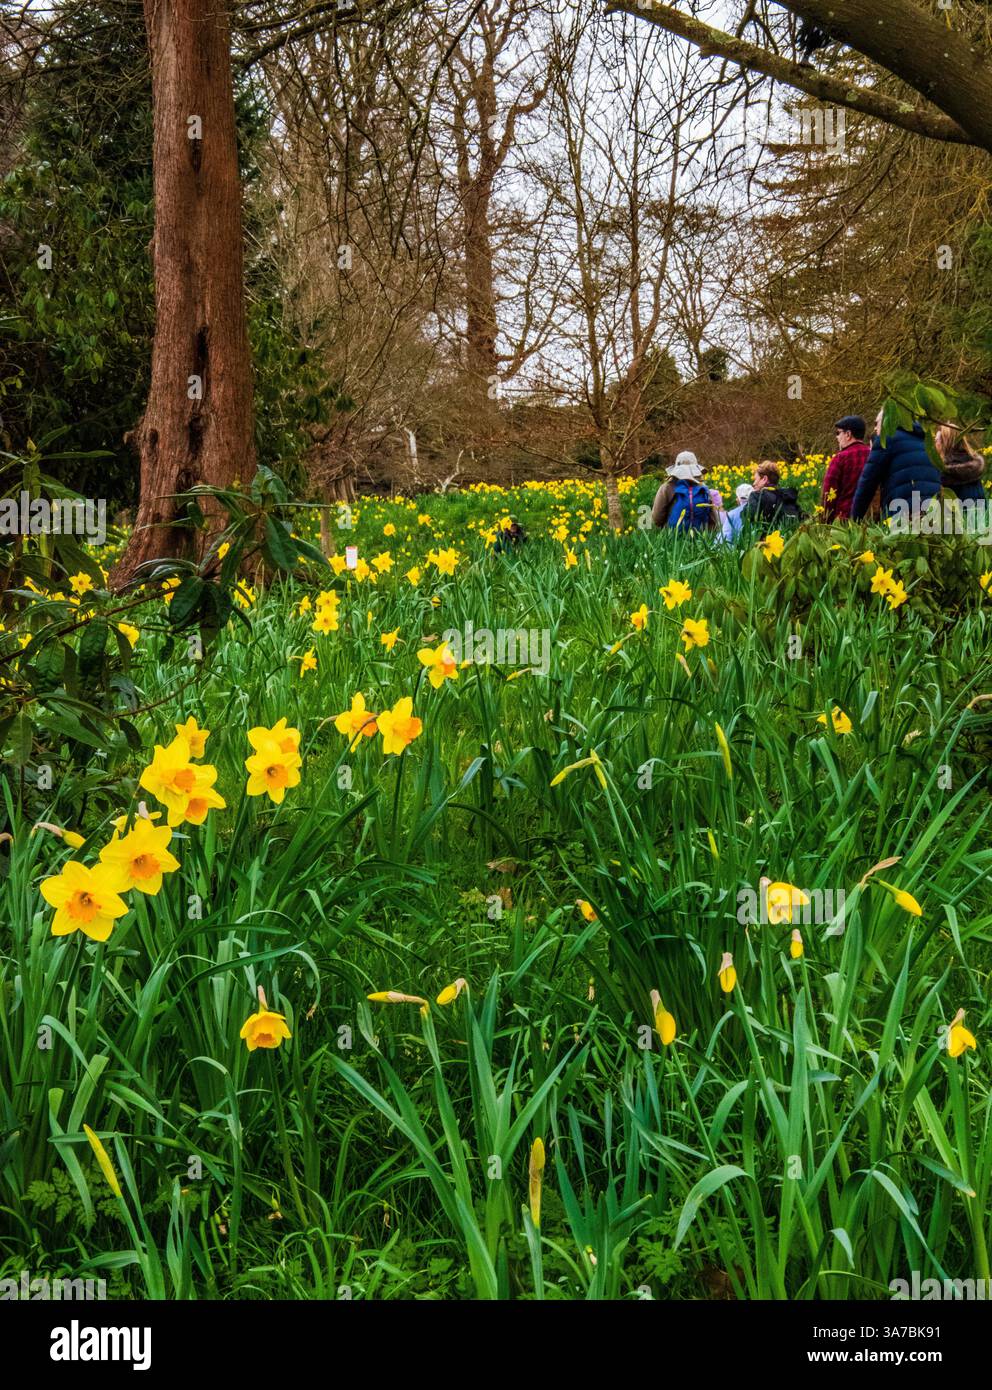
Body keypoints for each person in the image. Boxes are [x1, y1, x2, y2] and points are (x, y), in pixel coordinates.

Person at [850, 413, 941, 521]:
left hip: (903, 514)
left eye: (876, 423)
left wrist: (855, 519)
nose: (875, 428)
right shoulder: (927, 441)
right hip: (933, 513)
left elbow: (867, 482)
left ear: (886, 421)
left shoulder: (887, 439)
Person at [651, 451, 718, 532]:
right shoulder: (703, 488)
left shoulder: (667, 487)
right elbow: (714, 521)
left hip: (673, 539)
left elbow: (657, 518)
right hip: (700, 540)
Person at [821, 416, 870, 520]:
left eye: (838, 433)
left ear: (848, 434)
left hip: (844, 519)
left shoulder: (840, 459)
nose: (837, 437)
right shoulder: (873, 455)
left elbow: (829, 493)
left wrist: (825, 521)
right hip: (870, 519)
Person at [742, 461, 805, 534]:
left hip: (767, 542)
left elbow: (746, 518)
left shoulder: (756, 496)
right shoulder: (788, 498)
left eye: (756, 479)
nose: (754, 483)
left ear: (764, 479)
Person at [934, 425, 986, 504]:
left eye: (936, 441)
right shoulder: (972, 466)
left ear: (945, 443)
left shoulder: (942, 472)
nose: (934, 445)